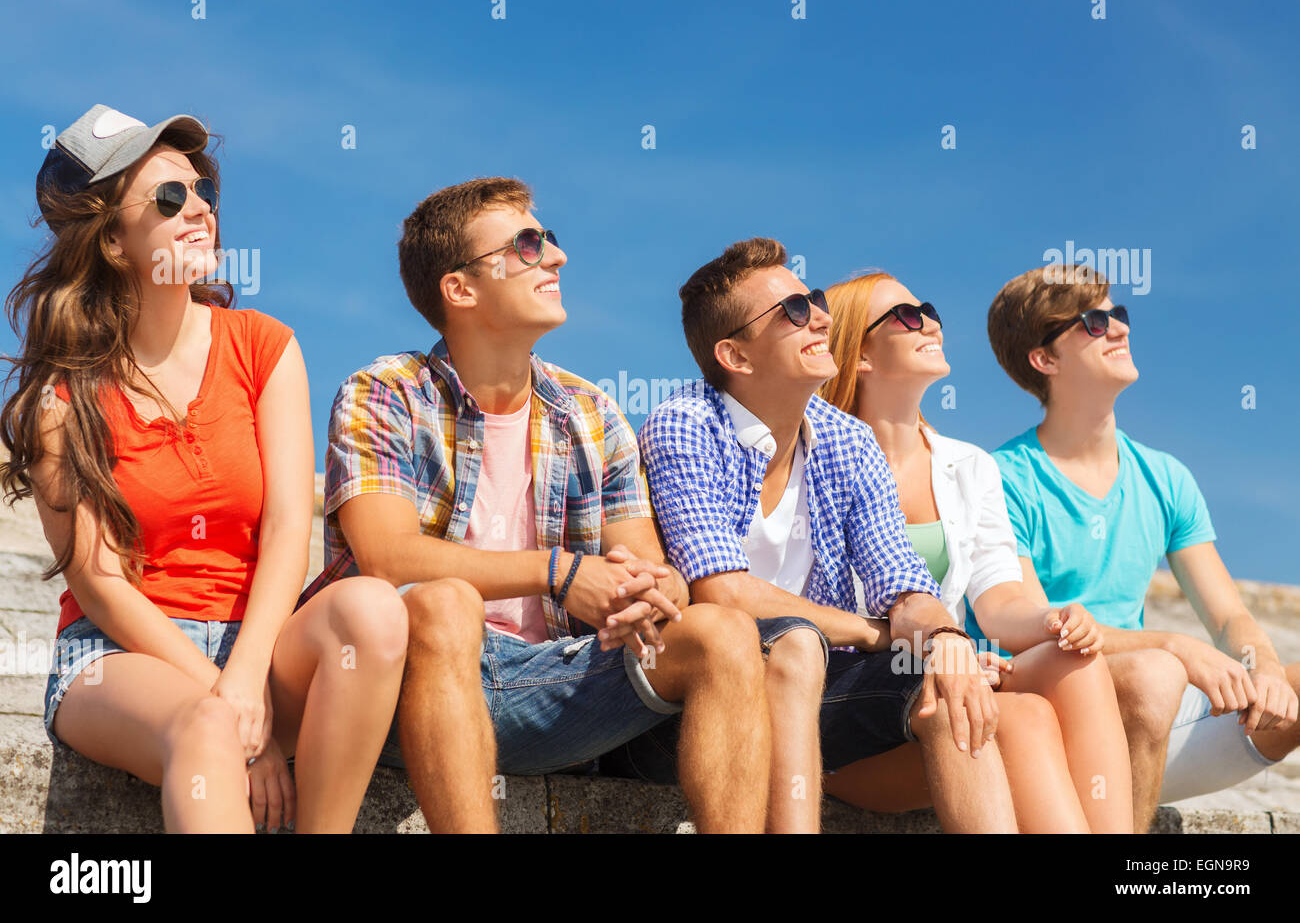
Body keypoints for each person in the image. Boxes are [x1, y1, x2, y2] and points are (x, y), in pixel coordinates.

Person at [299, 177, 797, 833]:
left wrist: (650, 589)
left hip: (552, 680)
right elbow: (388, 559)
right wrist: (559, 572)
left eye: (550, 241)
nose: (556, 257)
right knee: (443, 605)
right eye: (528, 244)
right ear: (461, 288)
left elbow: (649, 560)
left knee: (724, 632)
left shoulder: (591, 410)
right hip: (405, 688)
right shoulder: (384, 392)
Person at [0, 104, 407, 833]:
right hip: (122, 655)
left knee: (373, 609)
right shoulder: (61, 401)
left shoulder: (263, 345)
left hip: (258, 641)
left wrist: (247, 679)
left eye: (202, 193)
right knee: (208, 728)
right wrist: (228, 706)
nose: (200, 211)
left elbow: (289, 526)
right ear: (115, 243)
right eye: (168, 198)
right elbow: (99, 586)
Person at [606, 237, 1037, 832]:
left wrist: (943, 637)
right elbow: (724, 594)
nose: (820, 317)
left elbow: (902, 580)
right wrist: (871, 633)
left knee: (945, 686)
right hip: (691, 711)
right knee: (798, 644)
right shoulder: (684, 425)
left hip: (815, 689)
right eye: (792, 312)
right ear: (735, 355)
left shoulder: (849, 441)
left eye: (812, 300)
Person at [986, 262, 1300, 831]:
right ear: (1044, 359)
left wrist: (1267, 668)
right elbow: (1039, 627)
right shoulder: (1002, 479)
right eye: (1093, 321)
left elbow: (1228, 614)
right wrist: (1177, 647)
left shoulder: (1166, 477)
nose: (1119, 328)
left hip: (1150, 724)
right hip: (1055, 719)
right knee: (1155, 672)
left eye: (1119, 314)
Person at [816, 270, 1132, 832]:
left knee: (1072, 657)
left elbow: (999, 599)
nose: (931, 322)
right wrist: (936, 653)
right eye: (907, 317)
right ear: (859, 355)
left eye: (930, 309)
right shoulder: (813, 458)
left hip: (948, 678)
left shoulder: (970, 465)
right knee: (1022, 718)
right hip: (858, 711)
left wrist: (1051, 617)